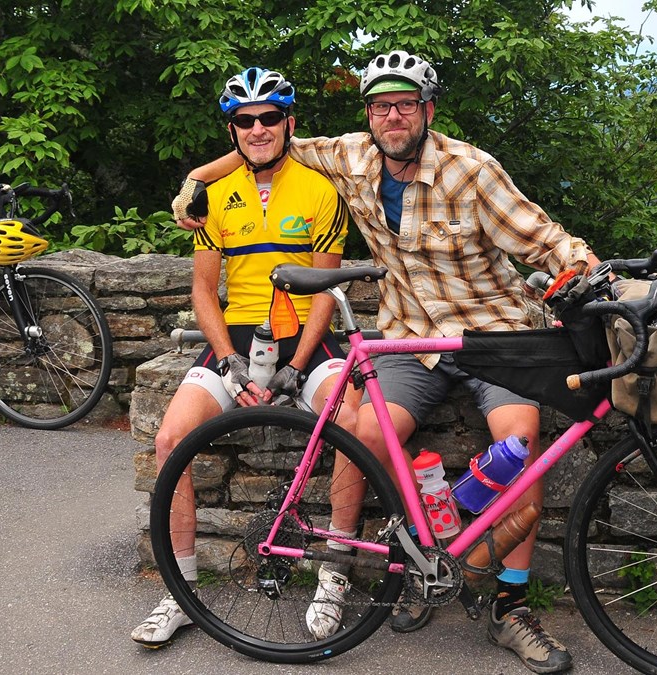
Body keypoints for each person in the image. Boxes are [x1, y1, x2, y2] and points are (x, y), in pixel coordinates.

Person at [177, 51, 596, 674]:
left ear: (428, 110)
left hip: (492, 334)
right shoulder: (352, 156)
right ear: (368, 114)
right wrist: (198, 179)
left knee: (522, 441)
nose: (391, 116)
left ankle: (509, 606)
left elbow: (544, 236)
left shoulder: (471, 170)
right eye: (380, 105)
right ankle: (417, 562)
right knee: (364, 433)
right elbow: (265, 142)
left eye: (404, 104)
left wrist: (585, 268)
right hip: (411, 338)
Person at [131, 66, 361, 648]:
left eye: (268, 117)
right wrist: (231, 361)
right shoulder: (215, 197)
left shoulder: (321, 192)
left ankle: (333, 574)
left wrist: (293, 367)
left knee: (355, 424)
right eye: (244, 120)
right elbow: (204, 292)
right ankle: (180, 589)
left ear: (288, 123)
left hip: (305, 336)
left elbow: (327, 293)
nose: (257, 129)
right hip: (235, 338)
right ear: (233, 129)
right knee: (169, 439)